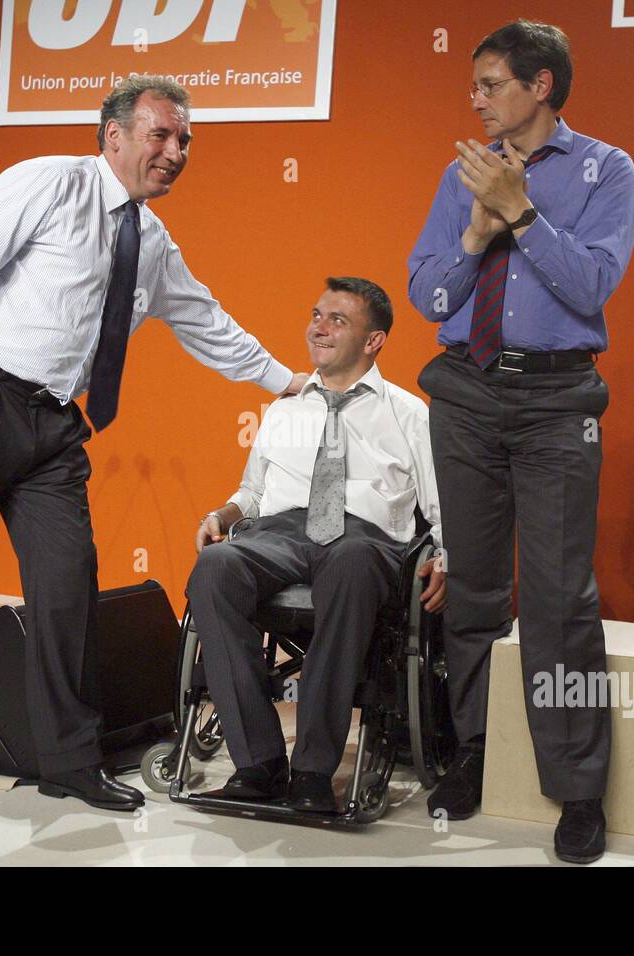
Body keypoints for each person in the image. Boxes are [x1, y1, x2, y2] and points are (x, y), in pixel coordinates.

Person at [0, 75, 308, 812]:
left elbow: (206, 324)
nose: (175, 151)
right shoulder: (48, 184)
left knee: (68, 587)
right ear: (114, 136)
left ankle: (67, 759)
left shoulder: (150, 242)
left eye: (184, 140)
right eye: (161, 135)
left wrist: (288, 383)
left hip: (53, 426)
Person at [407, 19, 634, 863]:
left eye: (492, 83)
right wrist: (474, 232)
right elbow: (430, 294)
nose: (477, 99)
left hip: (554, 398)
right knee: (470, 589)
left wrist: (523, 216)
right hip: (463, 390)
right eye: (474, 85)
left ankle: (576, 788)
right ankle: (471, 750)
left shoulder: (605, 169)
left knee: (559, 600)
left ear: (541, 87)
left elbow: (592, 286)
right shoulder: (457, 172)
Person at [186, 277, 445, 812]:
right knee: (215, 566)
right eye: (316, 316)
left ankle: (311, 770)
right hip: (280, 533)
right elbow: (253, 493)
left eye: (337, 320)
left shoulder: (408, 412)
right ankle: (258, 763)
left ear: (373, 341)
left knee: (350, 560)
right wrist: (223, 514)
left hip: (363, 539)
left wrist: (446, 555)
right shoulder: (285, 409)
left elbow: (442, 506)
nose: (318, 329)